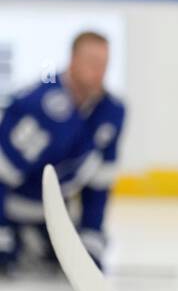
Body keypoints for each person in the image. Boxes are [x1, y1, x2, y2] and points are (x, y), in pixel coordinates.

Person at [0, 32, 124, 275]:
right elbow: (2, 173)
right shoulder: (39, 105)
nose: (98, 72)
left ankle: (36, 241)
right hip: (11, 209)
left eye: (104, 64)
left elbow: (99, 181)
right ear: (73, 61)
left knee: (79, 258)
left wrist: (91, 233)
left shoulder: (112, 111)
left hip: (53, 214)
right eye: (91, 63)